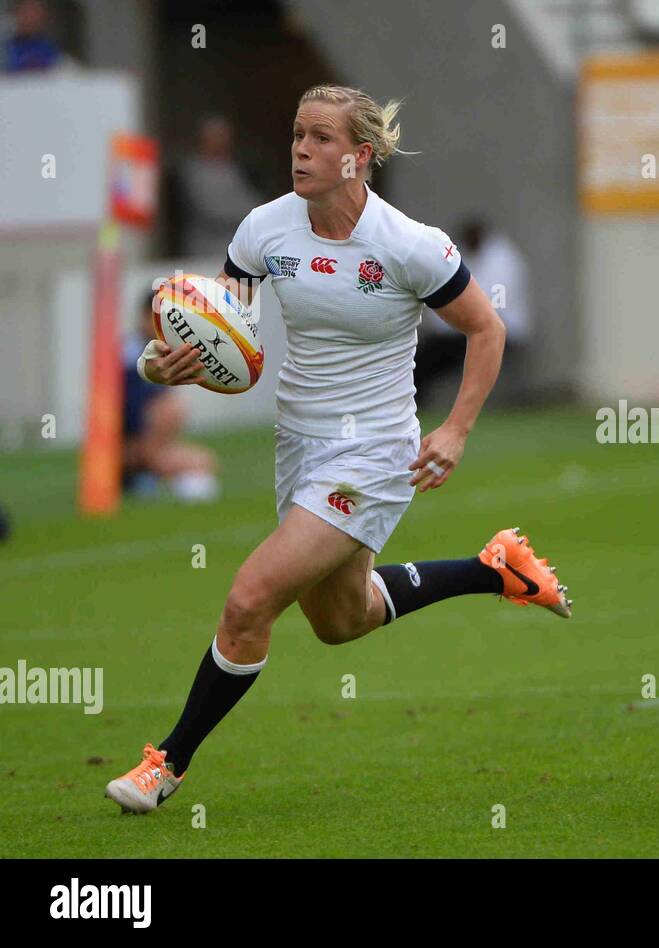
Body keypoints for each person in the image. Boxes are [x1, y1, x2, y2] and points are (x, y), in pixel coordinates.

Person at [106, 84, 572, 815]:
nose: (301, 149)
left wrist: (453, 430)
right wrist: (160, 363)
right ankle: (495, 570)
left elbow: (488, 330)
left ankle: (165, 763)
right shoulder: (265, 228)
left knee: (249, 600)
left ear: (359, 158)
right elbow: (220, 333)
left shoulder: (408, 245)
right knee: (340, 621)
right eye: (296, 134)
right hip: (298, 444)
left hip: (376, 451)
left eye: (321, 138)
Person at [414, 217, 532, 409]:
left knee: (437, 353)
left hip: (502, 330)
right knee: (427, 355)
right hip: (464, 330)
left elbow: (489, 305)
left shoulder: (502, 259)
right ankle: (417, 401)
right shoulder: (468, 255)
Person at [121, 290, 220, 503]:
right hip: (126, 448)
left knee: (204, 460)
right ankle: (138, 473)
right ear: (145, 317)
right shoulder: (128, 357)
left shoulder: (161, 352)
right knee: (171, 411)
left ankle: (146, 476)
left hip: (146, 445)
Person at [175, 115, 265, 260]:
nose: (221, 141)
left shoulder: (231, 167)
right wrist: (257, 212)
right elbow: (211, 209)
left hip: (236, 246)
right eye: (216, 136)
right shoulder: (194, 170)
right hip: (206, 248)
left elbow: (248, 197)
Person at [4, 0, 62, 72]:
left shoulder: (49, 48)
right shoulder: (6, 47)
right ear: (17, 14)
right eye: (26, 12)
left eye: (35, 12)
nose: (30, 17)